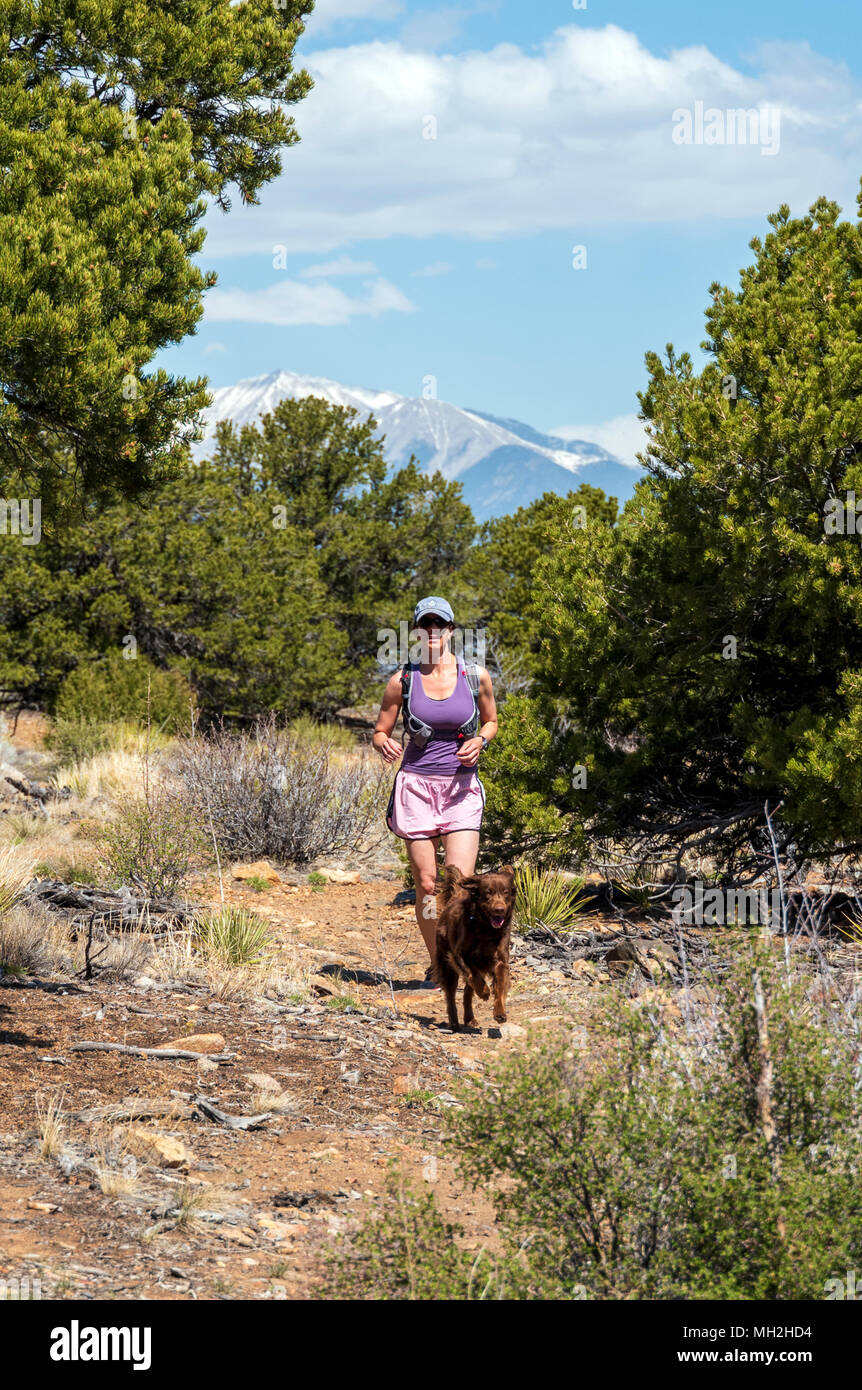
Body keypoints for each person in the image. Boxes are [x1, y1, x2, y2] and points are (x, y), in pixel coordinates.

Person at [371, 597, 498, 987]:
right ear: (416, 631)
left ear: (451, 630)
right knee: (427, 884)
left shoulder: (475, 676)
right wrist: (382, 743)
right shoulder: (402, 680)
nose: (432, 631)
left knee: (460, 884)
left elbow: (492, 722)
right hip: (417, 788)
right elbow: (380, 729)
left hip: (461, 790)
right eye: (424, 625)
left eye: (438, 625)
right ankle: (439, 963)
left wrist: (481, 740)